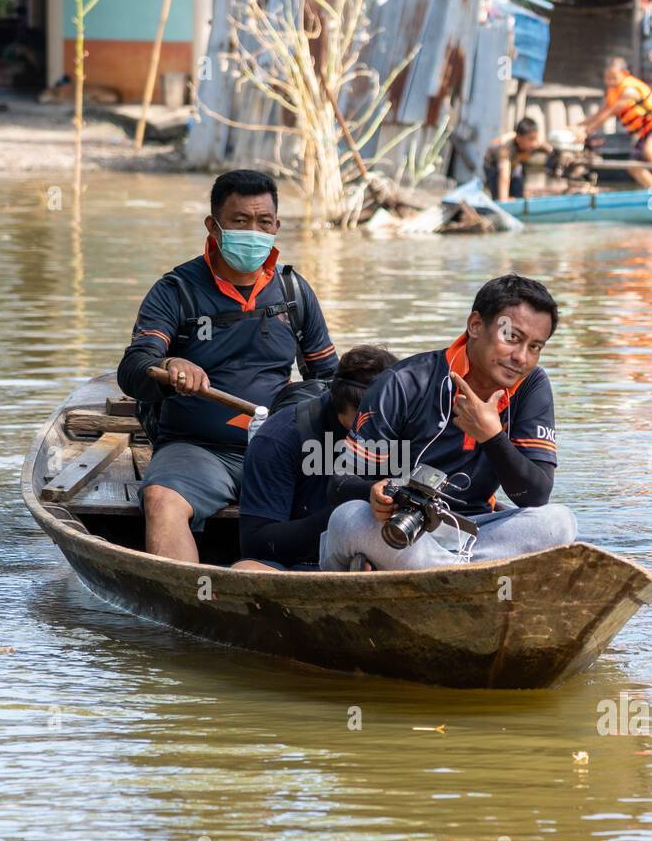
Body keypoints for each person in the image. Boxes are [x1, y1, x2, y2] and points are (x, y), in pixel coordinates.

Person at [117, 169, 339, 562]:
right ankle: (185, 603)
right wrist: (170, 364)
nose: (253, 231)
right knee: (161, 499)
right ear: (214, 227)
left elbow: (329, 379)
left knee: (354, 497)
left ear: (276, 227)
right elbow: (135, 368)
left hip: (279, 449)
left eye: (263, 222)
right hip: (199, 450)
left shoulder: (294, 292)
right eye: (240, 221)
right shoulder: (177, 291)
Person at [320, 274, 576, 572]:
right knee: (348, 519)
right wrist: (372, 492)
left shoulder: (531, 386)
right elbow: (338, 484)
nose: (521, 357)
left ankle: (448, 570)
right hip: (402, 534)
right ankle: (473, 572)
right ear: (476, 325)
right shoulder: (403, 383)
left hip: (475, 535)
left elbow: (534, 496)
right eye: (512, 338)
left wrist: (492, 436)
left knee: (559, 522)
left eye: (535, 347)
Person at [234, 345, 398, 571]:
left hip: (381, 555)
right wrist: (346, 522)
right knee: (247, 570)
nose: (381, 432)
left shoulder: (400, 425)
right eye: (368, 422)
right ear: (339, 403)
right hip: (302, 566)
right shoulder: (277, 439)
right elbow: (256, 544)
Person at [579, 57, 652, 190]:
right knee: (633, 167)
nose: (609, 81)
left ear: (624, 74)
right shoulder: (612, 92)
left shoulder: (629, 91)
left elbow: (610, 113)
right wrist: (578, 126)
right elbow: (599, 114)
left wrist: (587, 131)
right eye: (607, 78)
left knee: (649, 151)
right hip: (643, 132)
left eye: (613, 77)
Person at [482, 118, 553, 201]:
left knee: (517, 179)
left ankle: (518, 200)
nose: (534, 143)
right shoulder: (505, 150)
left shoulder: (534, 143)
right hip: (494, 166)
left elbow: (547, 148)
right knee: (499, 192)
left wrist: (551, 150)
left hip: (513, 163)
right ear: (519, 139)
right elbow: (504, 176)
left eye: (535, 138)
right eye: (530, 139)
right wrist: (504, 200)